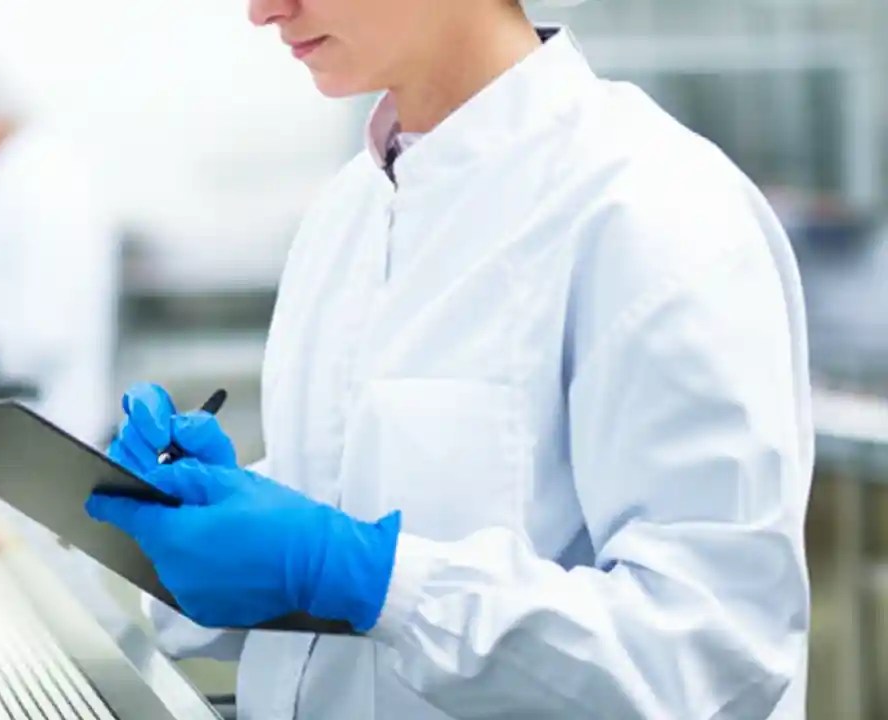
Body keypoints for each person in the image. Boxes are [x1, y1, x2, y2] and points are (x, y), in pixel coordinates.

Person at [87, 1, 814, 718]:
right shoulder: (349, 209)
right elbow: (345, 562)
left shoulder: (652, 208)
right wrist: (211, 523)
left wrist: (372, 578)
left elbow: (711, 658)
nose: (264, 11)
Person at [0, 61, 118, 445]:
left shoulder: (42, 175)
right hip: (16, 397)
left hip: (41, 403)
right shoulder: (14, 169)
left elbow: (47, 316)